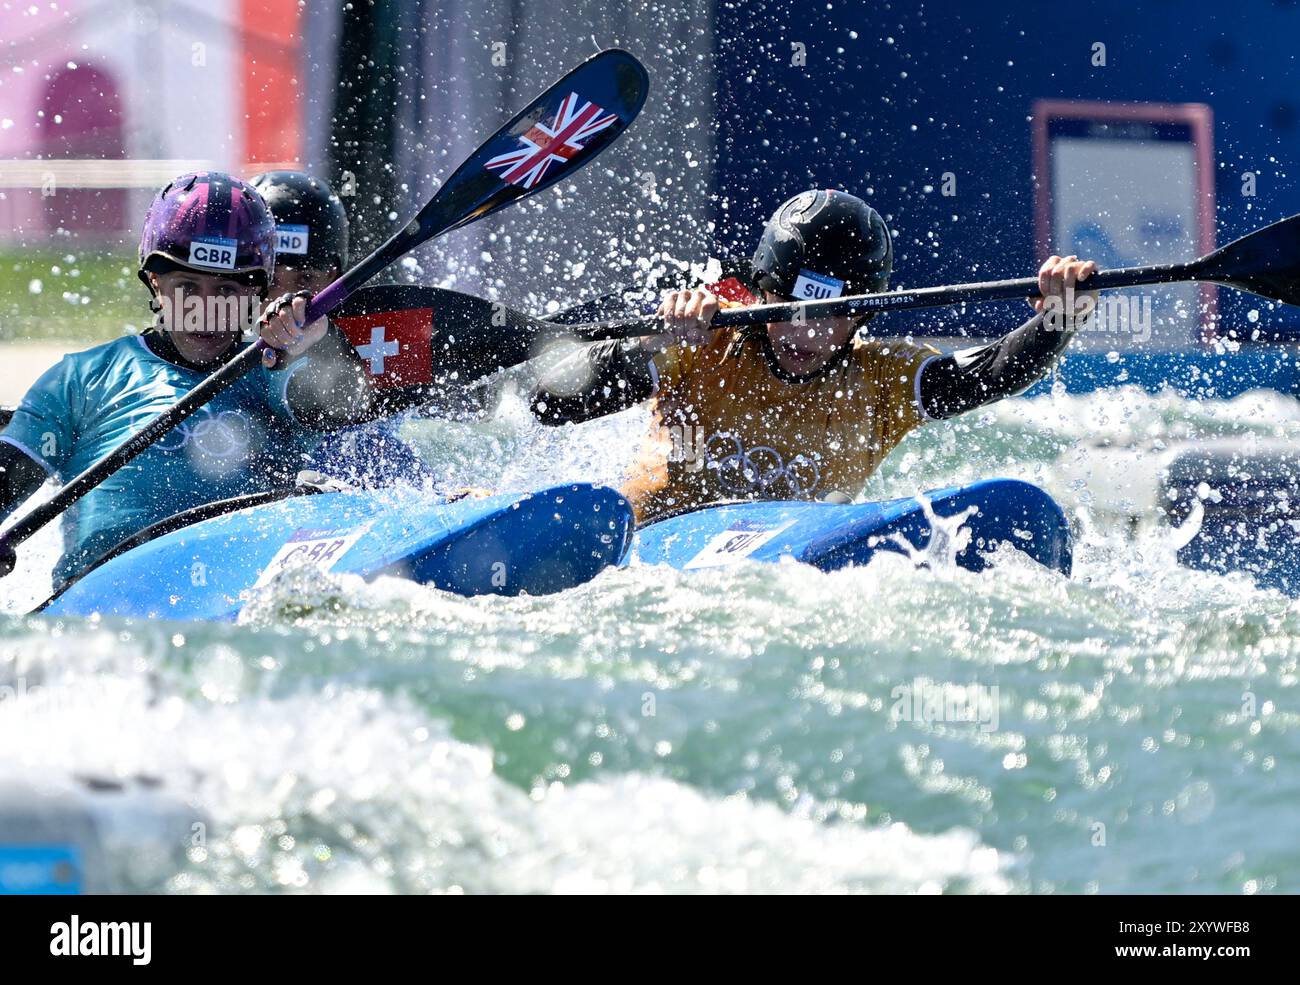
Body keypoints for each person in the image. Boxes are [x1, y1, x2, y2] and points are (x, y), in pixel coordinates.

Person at [530, 188, 1097, 522]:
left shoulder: (884, 380)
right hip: (643, 544)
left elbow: (986, 376)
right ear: (761, 292)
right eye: (788, 307)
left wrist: (1058, 319)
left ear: (863, 314)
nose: (804, 333)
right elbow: (550, 406)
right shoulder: (703, 344)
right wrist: (654, 343)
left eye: (829, 315)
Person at [0, 171, 371, 587]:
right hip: (99, 605)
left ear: (258, 292)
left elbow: (341, 407)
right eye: (188, 286)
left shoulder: (275, 370)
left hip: (238, 593)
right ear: (155, 281)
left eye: (227, 291)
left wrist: (318, 340)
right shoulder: (80, 378)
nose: (205, 308)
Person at [249, 169, 431, 488]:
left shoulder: (372, 346)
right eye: (271, 281)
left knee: (362, 446)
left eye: (305, 281)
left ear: (335, 278)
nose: (284, 301)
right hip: (262, 494)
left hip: (348, 480)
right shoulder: (217, 343)